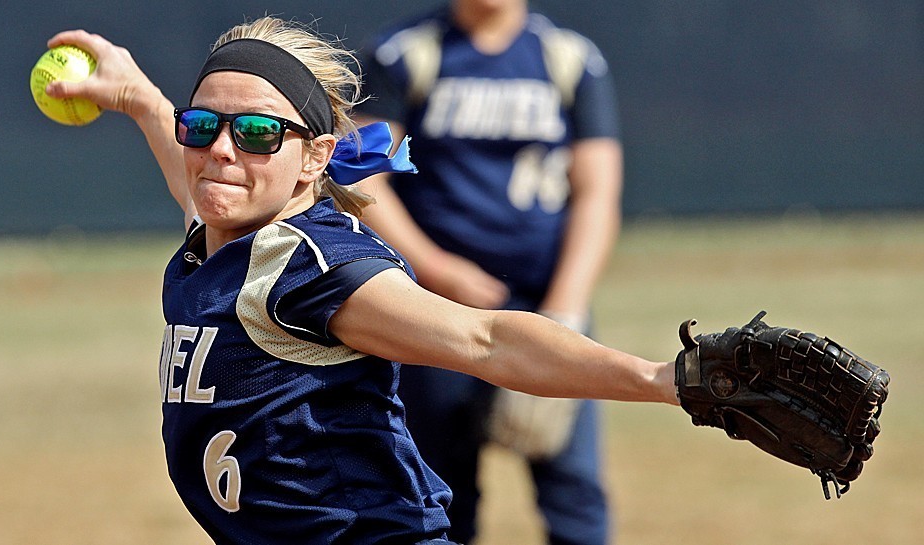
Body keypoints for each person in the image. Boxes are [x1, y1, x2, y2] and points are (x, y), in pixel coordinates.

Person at [43, 16, 668, 545]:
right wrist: (139, 98)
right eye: (201, 126)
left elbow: (484, 340)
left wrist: (665, 382)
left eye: (258, 133)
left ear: (314, 158)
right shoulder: (225, 236)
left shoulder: (311, 267)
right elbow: (197, 181)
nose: (223, 151)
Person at [353, 1, 623, 543]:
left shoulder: (568, 59)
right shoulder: (406, 54)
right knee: (439, 495)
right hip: (435, 310)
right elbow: (361, 173)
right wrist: (432, 267)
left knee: (574, 492)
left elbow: (597, 191)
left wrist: (566, 308)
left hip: (544, 301)